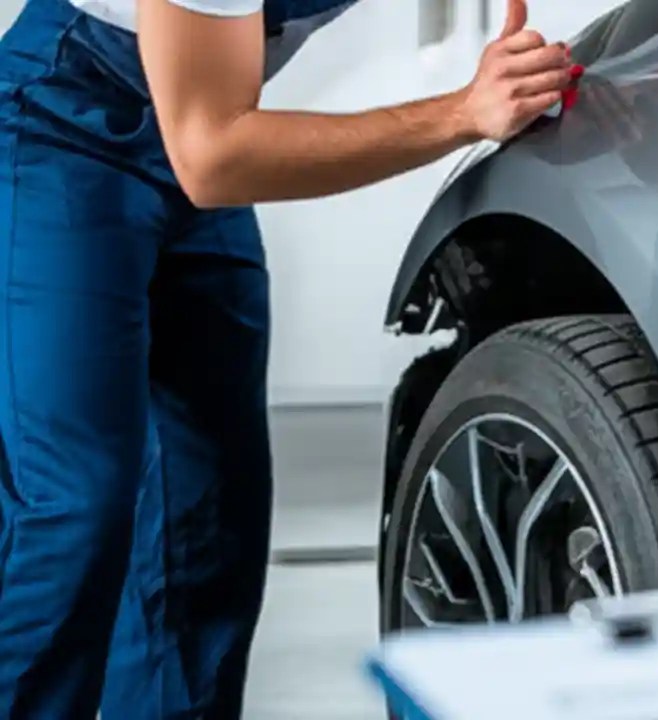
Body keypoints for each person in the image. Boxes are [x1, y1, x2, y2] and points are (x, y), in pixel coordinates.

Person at [0, 0, 572, 714]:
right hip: (67, 125)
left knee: (204, 522)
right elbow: (212, 155)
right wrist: (462, 111)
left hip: (193, 116)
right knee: (73, 507)